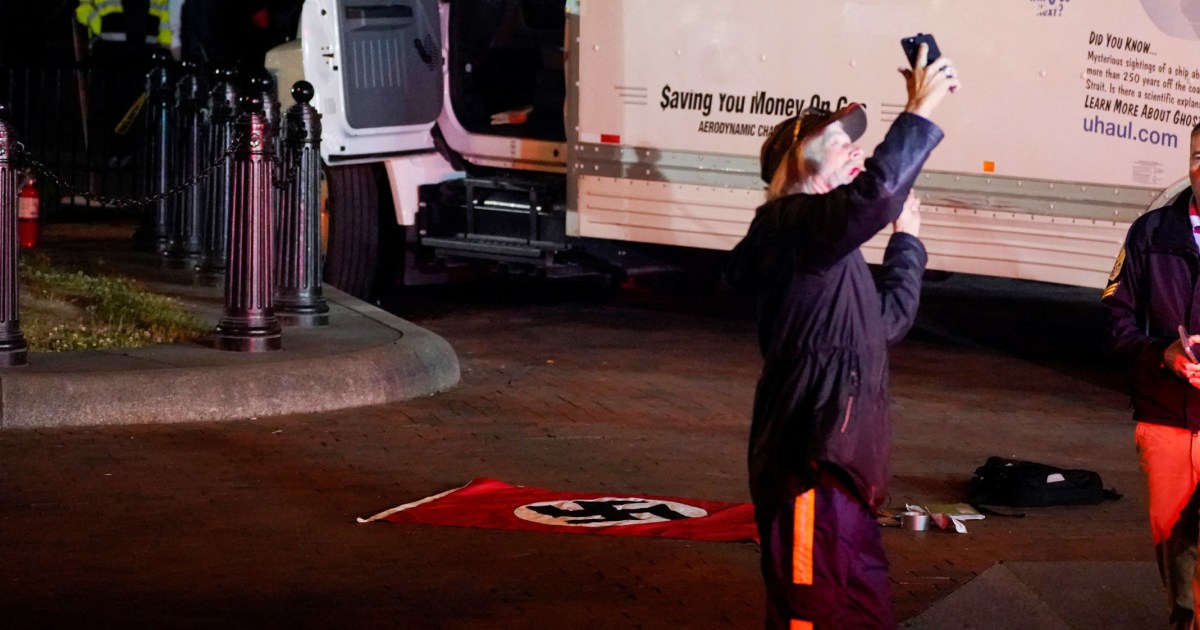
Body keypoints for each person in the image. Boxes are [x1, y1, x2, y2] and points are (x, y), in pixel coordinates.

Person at [724, 43, 959, 629]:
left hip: (849, 477)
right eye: (839, 140)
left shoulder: (828, 251)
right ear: (794, 159)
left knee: (862, 613)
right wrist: (921, 111)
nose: (854, 148)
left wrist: (907, 242)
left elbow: (887, 324)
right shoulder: (787, 229)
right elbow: (874, 194)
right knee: (813, 612)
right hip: (811, 468)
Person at [1102, 122, 1200, 630]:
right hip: (1164, 419)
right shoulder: (1152, 232)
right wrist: (1159, 355)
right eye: (1198, 155)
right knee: (1174, 542)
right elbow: (1115, 318)